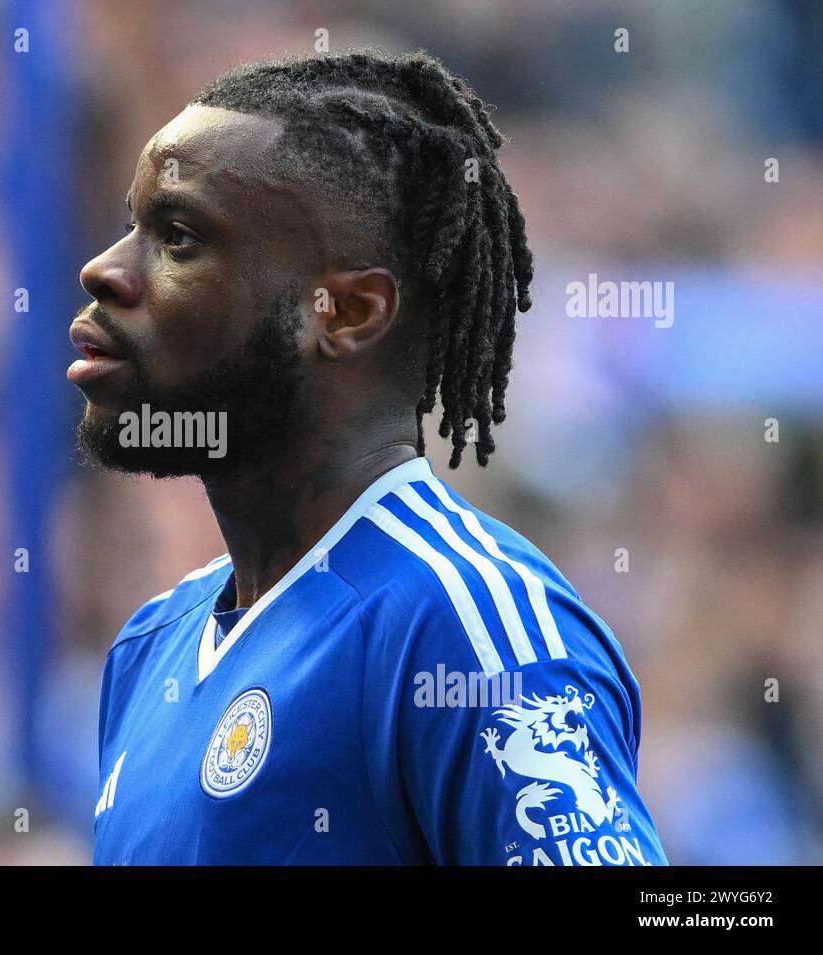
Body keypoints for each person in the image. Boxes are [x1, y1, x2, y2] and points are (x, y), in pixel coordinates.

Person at [71, 49, 666, 865]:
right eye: (131, 225)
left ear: (347, 312)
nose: (103, 270)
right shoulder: (150, 645)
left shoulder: (466, 626)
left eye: (177, 236)